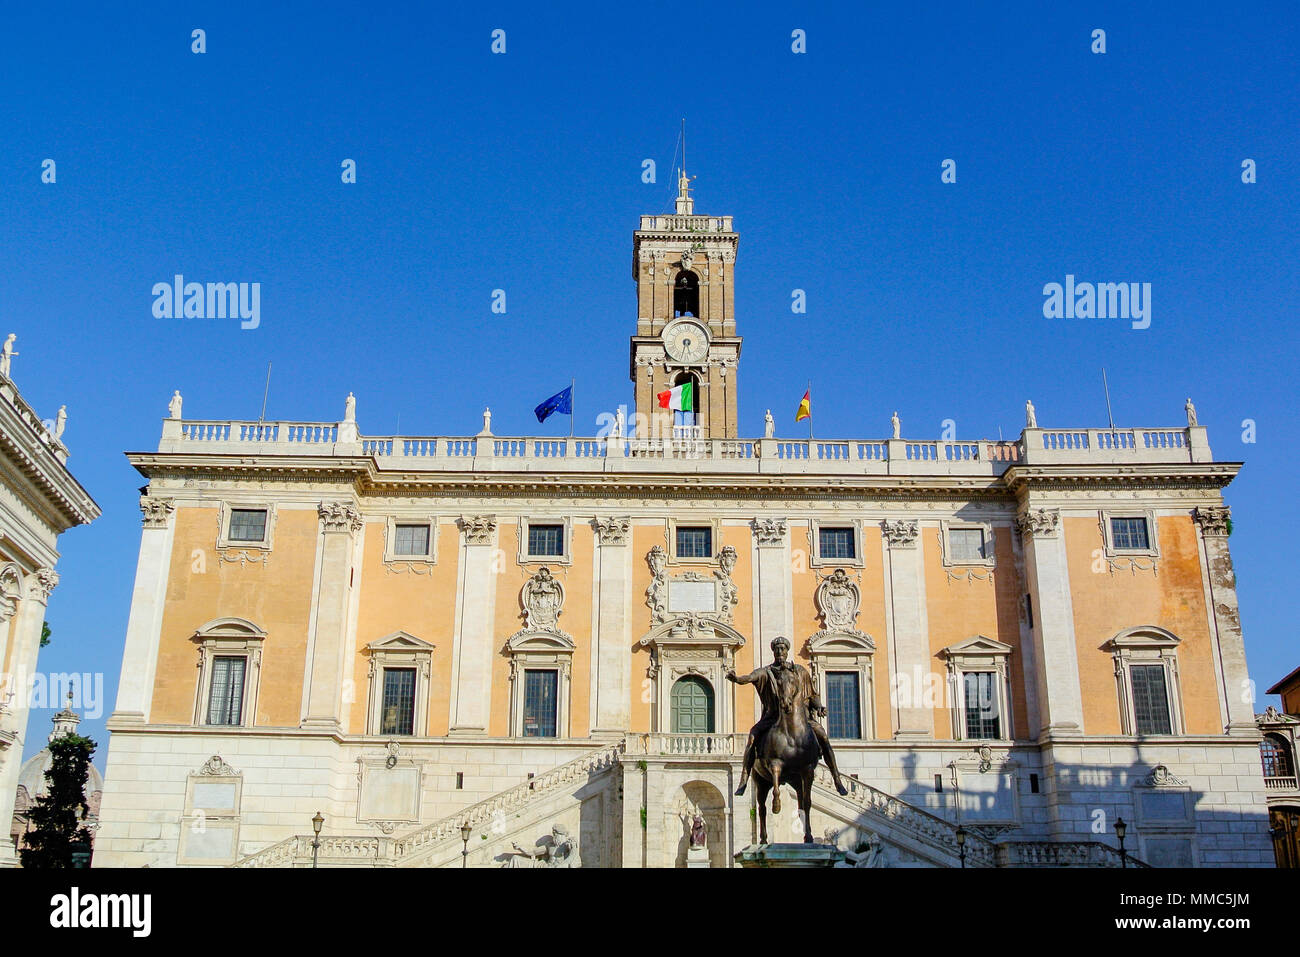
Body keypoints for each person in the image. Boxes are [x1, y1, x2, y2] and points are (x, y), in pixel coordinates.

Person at [726, 636, 849, 796]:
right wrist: (737, 679)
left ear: (787, 650)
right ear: (773, 651)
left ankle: (837, 778)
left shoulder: (800, 671)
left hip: (801, 719)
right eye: (777, 649)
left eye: (782, 649)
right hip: (772, 717)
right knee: (752, 737)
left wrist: (819, 707)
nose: (779, 652)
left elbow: (812, 694)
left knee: (823, 737)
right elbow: (750, 677)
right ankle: (743, 780)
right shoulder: (767, 672)